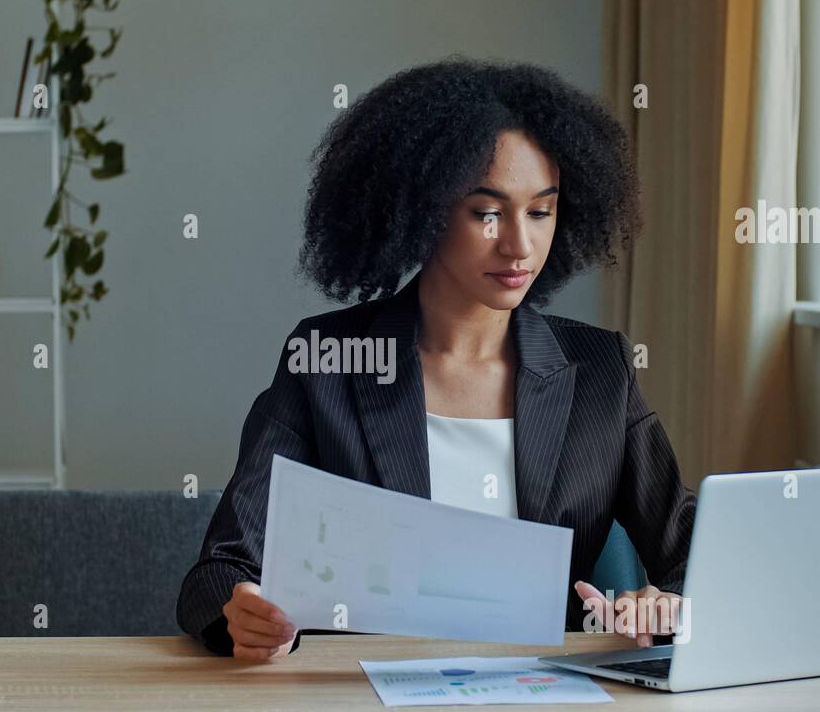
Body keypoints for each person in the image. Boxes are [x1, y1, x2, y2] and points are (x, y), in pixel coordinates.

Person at [176, 57, 694, 660]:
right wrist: (242, 611)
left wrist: (668, 603)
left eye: (540, 211)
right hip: (357, 694)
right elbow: (218, 571)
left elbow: (693, 548)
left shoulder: (600, 370)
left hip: (541, 695)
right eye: (487, 213)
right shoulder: (328, 361)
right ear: (421, 211)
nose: (520, 245)